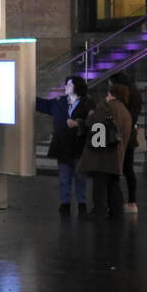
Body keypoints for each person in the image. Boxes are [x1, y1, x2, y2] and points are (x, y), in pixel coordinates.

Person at [36, 75, 92, 216]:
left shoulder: (88, 104)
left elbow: (93, 122)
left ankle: (81, 203)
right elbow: (42, 105)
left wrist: (79, 123)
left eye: (69, 84)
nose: (66, 87)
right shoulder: (60, 102)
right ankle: (65, 203)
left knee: (80, 176)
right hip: (63, 145)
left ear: (77, 88)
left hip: (79, 146)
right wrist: (25, 93)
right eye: (66, 84)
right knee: (64, 176)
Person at [79, 84, 132, 219]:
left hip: (102, 155)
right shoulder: (125, 111)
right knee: (113, 184)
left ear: (110, 93)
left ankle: (99, 211)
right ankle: (116, 211)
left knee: (100, 185)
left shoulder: (105, 107)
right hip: (117, 154)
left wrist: (92, 113)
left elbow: (91, 122)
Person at [112, 72, 142, 214]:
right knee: (128, 169)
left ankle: (116, 201)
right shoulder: (136, 94)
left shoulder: (121, 98)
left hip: (120, 136)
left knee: (116, 168)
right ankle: (132, 202)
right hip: (130, 136)